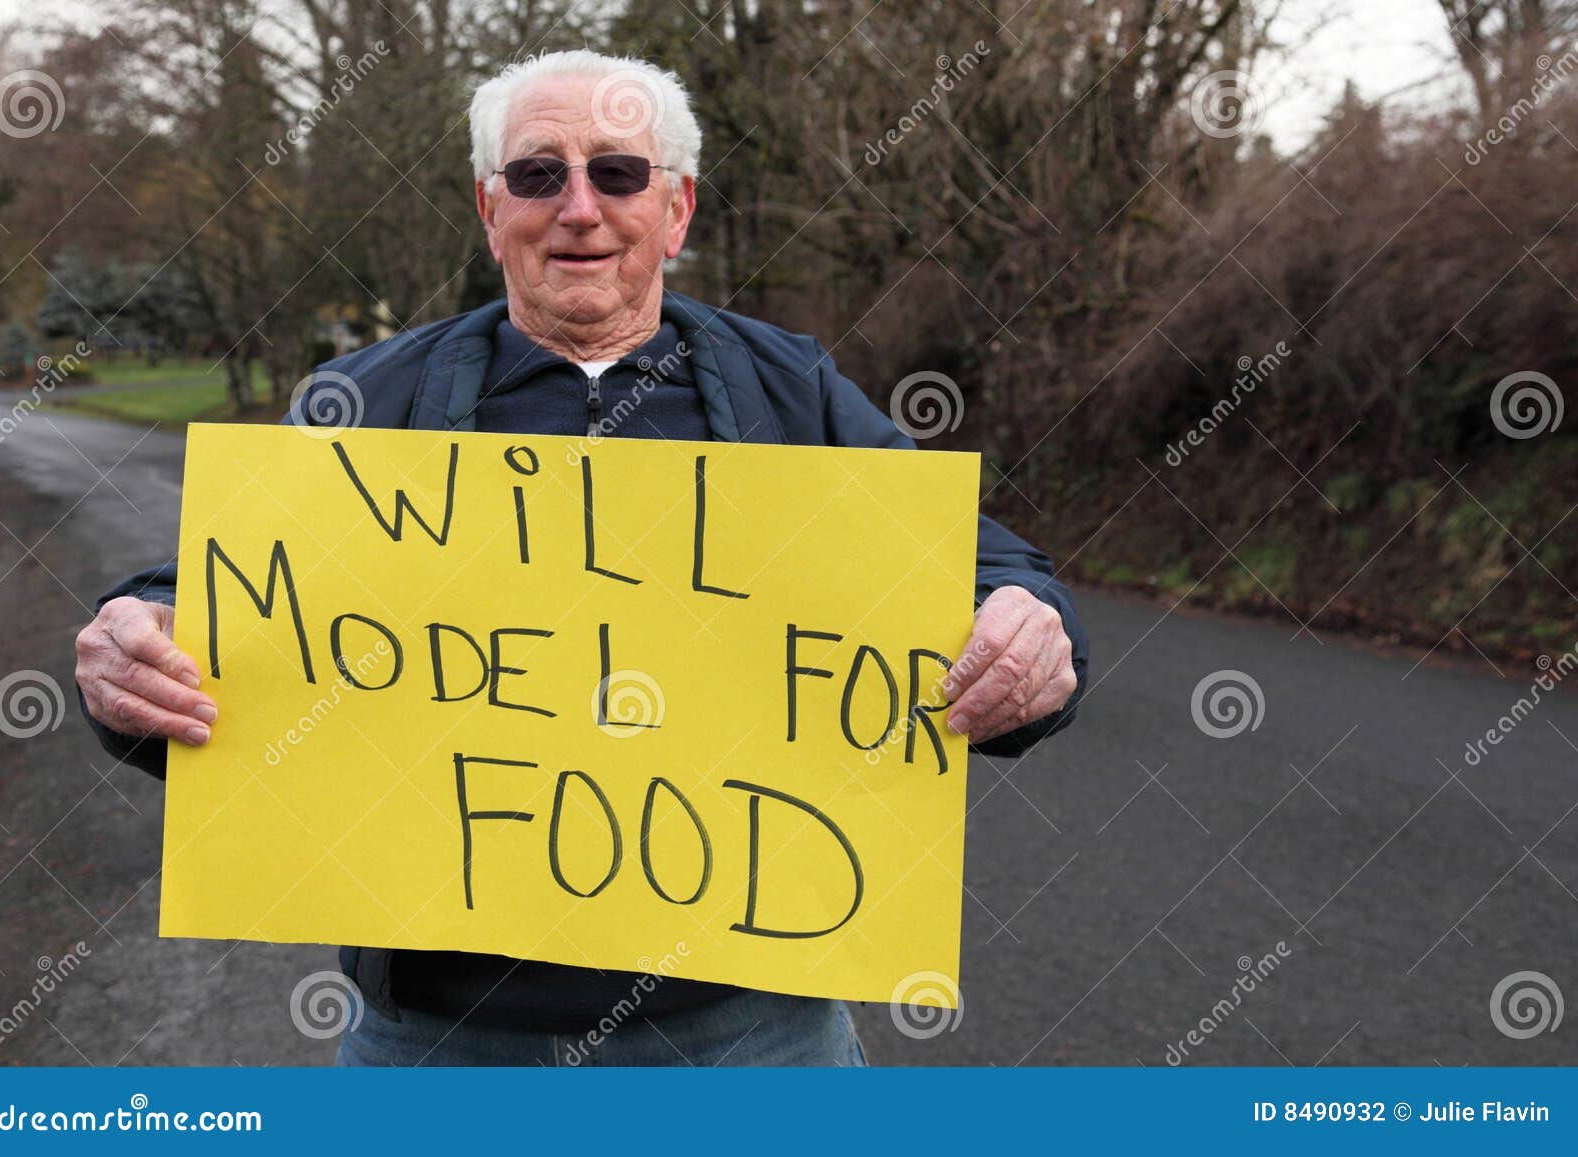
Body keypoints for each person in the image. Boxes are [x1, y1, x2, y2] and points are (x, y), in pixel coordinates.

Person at [75, 49, 1088, 1067]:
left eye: (617, 172)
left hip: (753, 1039)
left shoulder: (797, 394)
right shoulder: (360, 402)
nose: (578, 208)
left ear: (677, 209)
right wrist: (137, 638)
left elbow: (979, 564)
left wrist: (1030, 623)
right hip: (438, 1044)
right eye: (536, 174)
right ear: (489, 208)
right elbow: (211, 598)